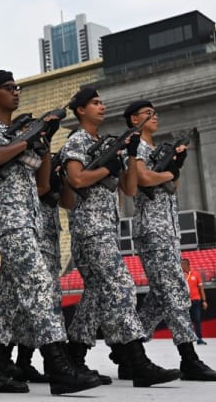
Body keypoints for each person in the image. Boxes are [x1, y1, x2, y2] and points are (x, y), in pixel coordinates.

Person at [0, 70, 100, 395]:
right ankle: (59, 367)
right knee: (41, 285)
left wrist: (43, 143)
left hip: (29, 221)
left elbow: (42, 185)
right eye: (8, 88)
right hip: (8, 221)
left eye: (16, 87)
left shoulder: (22, 136)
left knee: (9, 300)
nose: (16, 92)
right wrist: (27, 139)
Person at [62, 86, 179, 386]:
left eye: (102, 102)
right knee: (122, 285)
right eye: (95, 103)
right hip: (90, 228)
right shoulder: (76, 141)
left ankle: (74, 357)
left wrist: (129, 156)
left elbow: (129, 189)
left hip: (106, 229)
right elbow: (76, 179)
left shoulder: (104, 144)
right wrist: (107, 168)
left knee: (96, 296)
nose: (101, 106)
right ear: (80, 110)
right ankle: (136, 361)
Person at [124, 99, 216, 381]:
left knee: (160, 295)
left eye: (155, 113)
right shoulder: (135, 148)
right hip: (152, 229)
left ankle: (127, 350)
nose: (154, 117)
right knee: (174, 290)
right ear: (134, 120)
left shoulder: (156, 149)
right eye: (147, 113)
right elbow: (143, 179)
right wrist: (169, 171)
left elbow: (172, 186)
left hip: (167, 228)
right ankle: (189, 358)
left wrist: (175, 167)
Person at [183, 258, 208, 344]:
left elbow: (201, 288)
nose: (181, 266)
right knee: (186, 321)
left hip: (195, 301)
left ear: (187, 265)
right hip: (185, 302)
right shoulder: (180, 276)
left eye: (182, 264)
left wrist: (204, 300)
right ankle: (188, 339)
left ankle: (199, 339)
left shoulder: (196, 274)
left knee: (197, 319)